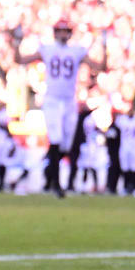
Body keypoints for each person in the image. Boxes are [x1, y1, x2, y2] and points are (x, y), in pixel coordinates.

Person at [12, 18, 105, 197]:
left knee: (65, 144)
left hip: (69, 101)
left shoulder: (77, 51)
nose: (63, 34)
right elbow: (20, 60)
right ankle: (55, 183)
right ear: (55, 33)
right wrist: (17, 42)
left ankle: (49, 175)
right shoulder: (47, 49)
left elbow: (99, 67)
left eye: (65, 31)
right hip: (53, 100)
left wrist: (105, 48)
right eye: (60, 31)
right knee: (55, 139)